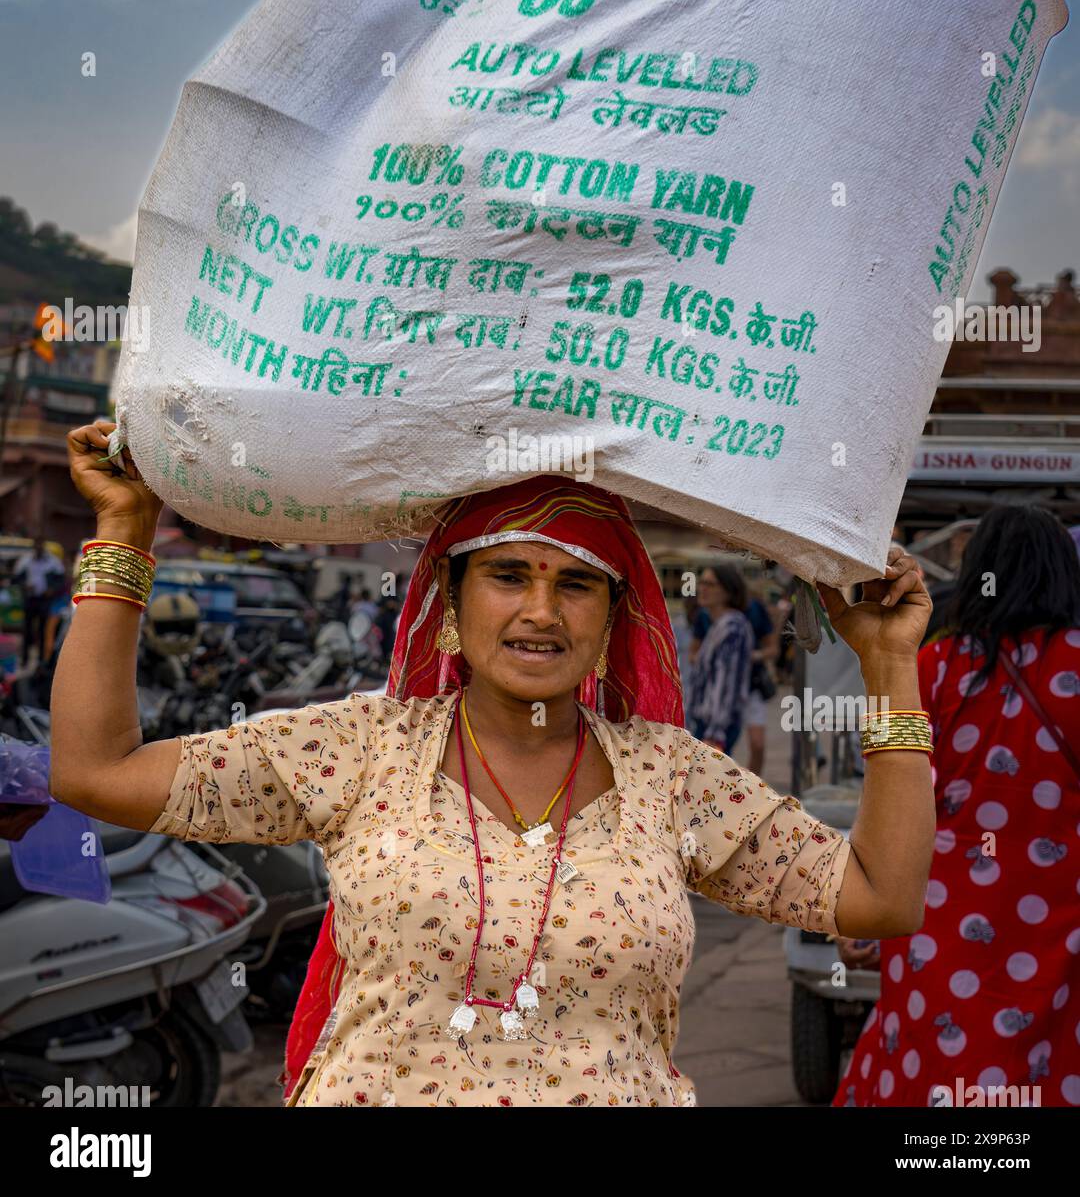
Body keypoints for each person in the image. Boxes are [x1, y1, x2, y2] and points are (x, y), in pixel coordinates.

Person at [52, 418, 937, 1108]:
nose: (541, 611)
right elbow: (96, 772)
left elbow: (879, 897)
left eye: (576, 583)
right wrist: (126, 530)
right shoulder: (361, 749)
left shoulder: (673, 778)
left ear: (613, 615)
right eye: (509, 575)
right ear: (450, 601)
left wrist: (891, 668)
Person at [833, 504, 1080, 1108]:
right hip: (1063, 921)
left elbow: (891, 799)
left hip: (938, 920)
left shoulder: (933, 670)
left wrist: (862, 908)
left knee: (939, 1063)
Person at [687, 563, 756, 754]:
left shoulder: (733, 628)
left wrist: (715, 733)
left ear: (728, 591)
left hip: (716, 727)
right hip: (705, 722)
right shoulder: (718, 625)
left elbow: (727, 685)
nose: (703, 588)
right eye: (702, 583)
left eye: (710, 584)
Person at [13, 537, 65, 668]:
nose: (38, 549)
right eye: (36, 546)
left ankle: (41, 660)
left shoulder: (52, 562)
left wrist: (51, 589)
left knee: (42, 629)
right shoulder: (26, 560)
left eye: (40, 546)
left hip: (44, 600)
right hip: (30, 598)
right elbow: (17, 578)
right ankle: (24, 659)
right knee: (27, 629)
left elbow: (60, 579)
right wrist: (24, 586)